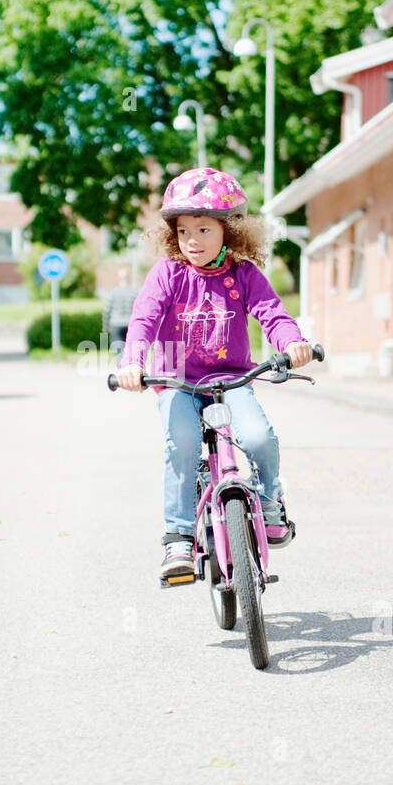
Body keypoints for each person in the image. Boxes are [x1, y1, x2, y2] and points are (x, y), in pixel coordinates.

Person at [115, 167, 313, 581]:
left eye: (204, 229)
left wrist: (291, 342)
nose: (192, 240)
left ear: (230, 230)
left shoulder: (243, 275)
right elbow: (144, 319)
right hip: (178, 382)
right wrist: (132, 362)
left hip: (231, 379)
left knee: (258, 437)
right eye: (184, 230)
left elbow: (271, 313)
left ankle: (271, 501)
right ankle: (179, 538)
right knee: (183, 445)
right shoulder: (168, 273)